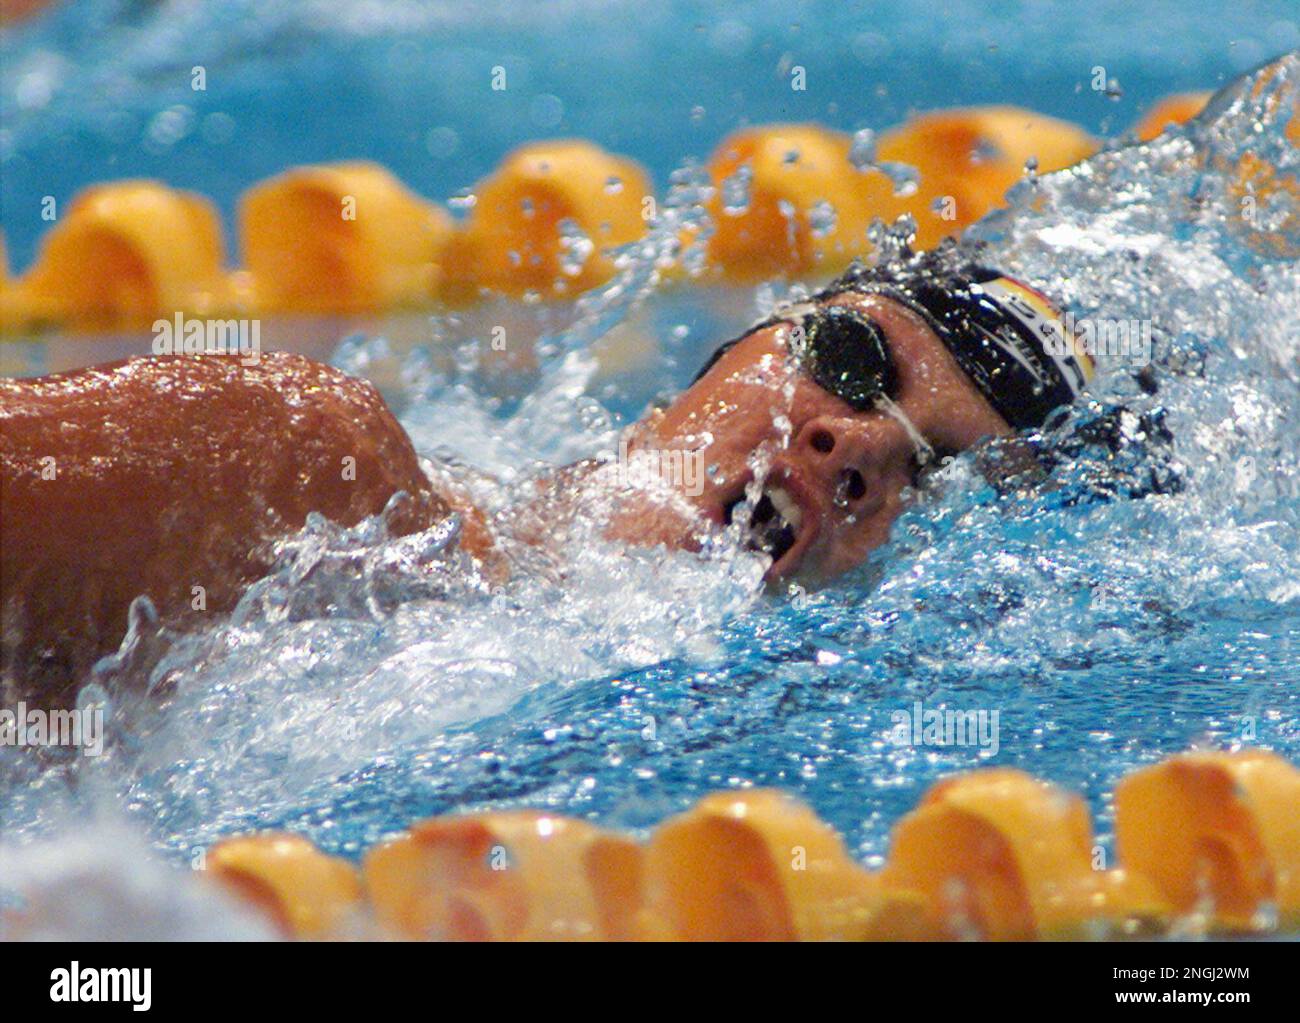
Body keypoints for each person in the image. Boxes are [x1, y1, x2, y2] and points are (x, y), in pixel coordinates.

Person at [0, 244, 1096, 709]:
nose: (855, 447)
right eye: (852, 361)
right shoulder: (305, 467)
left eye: (936, 478)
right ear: (724, 353)